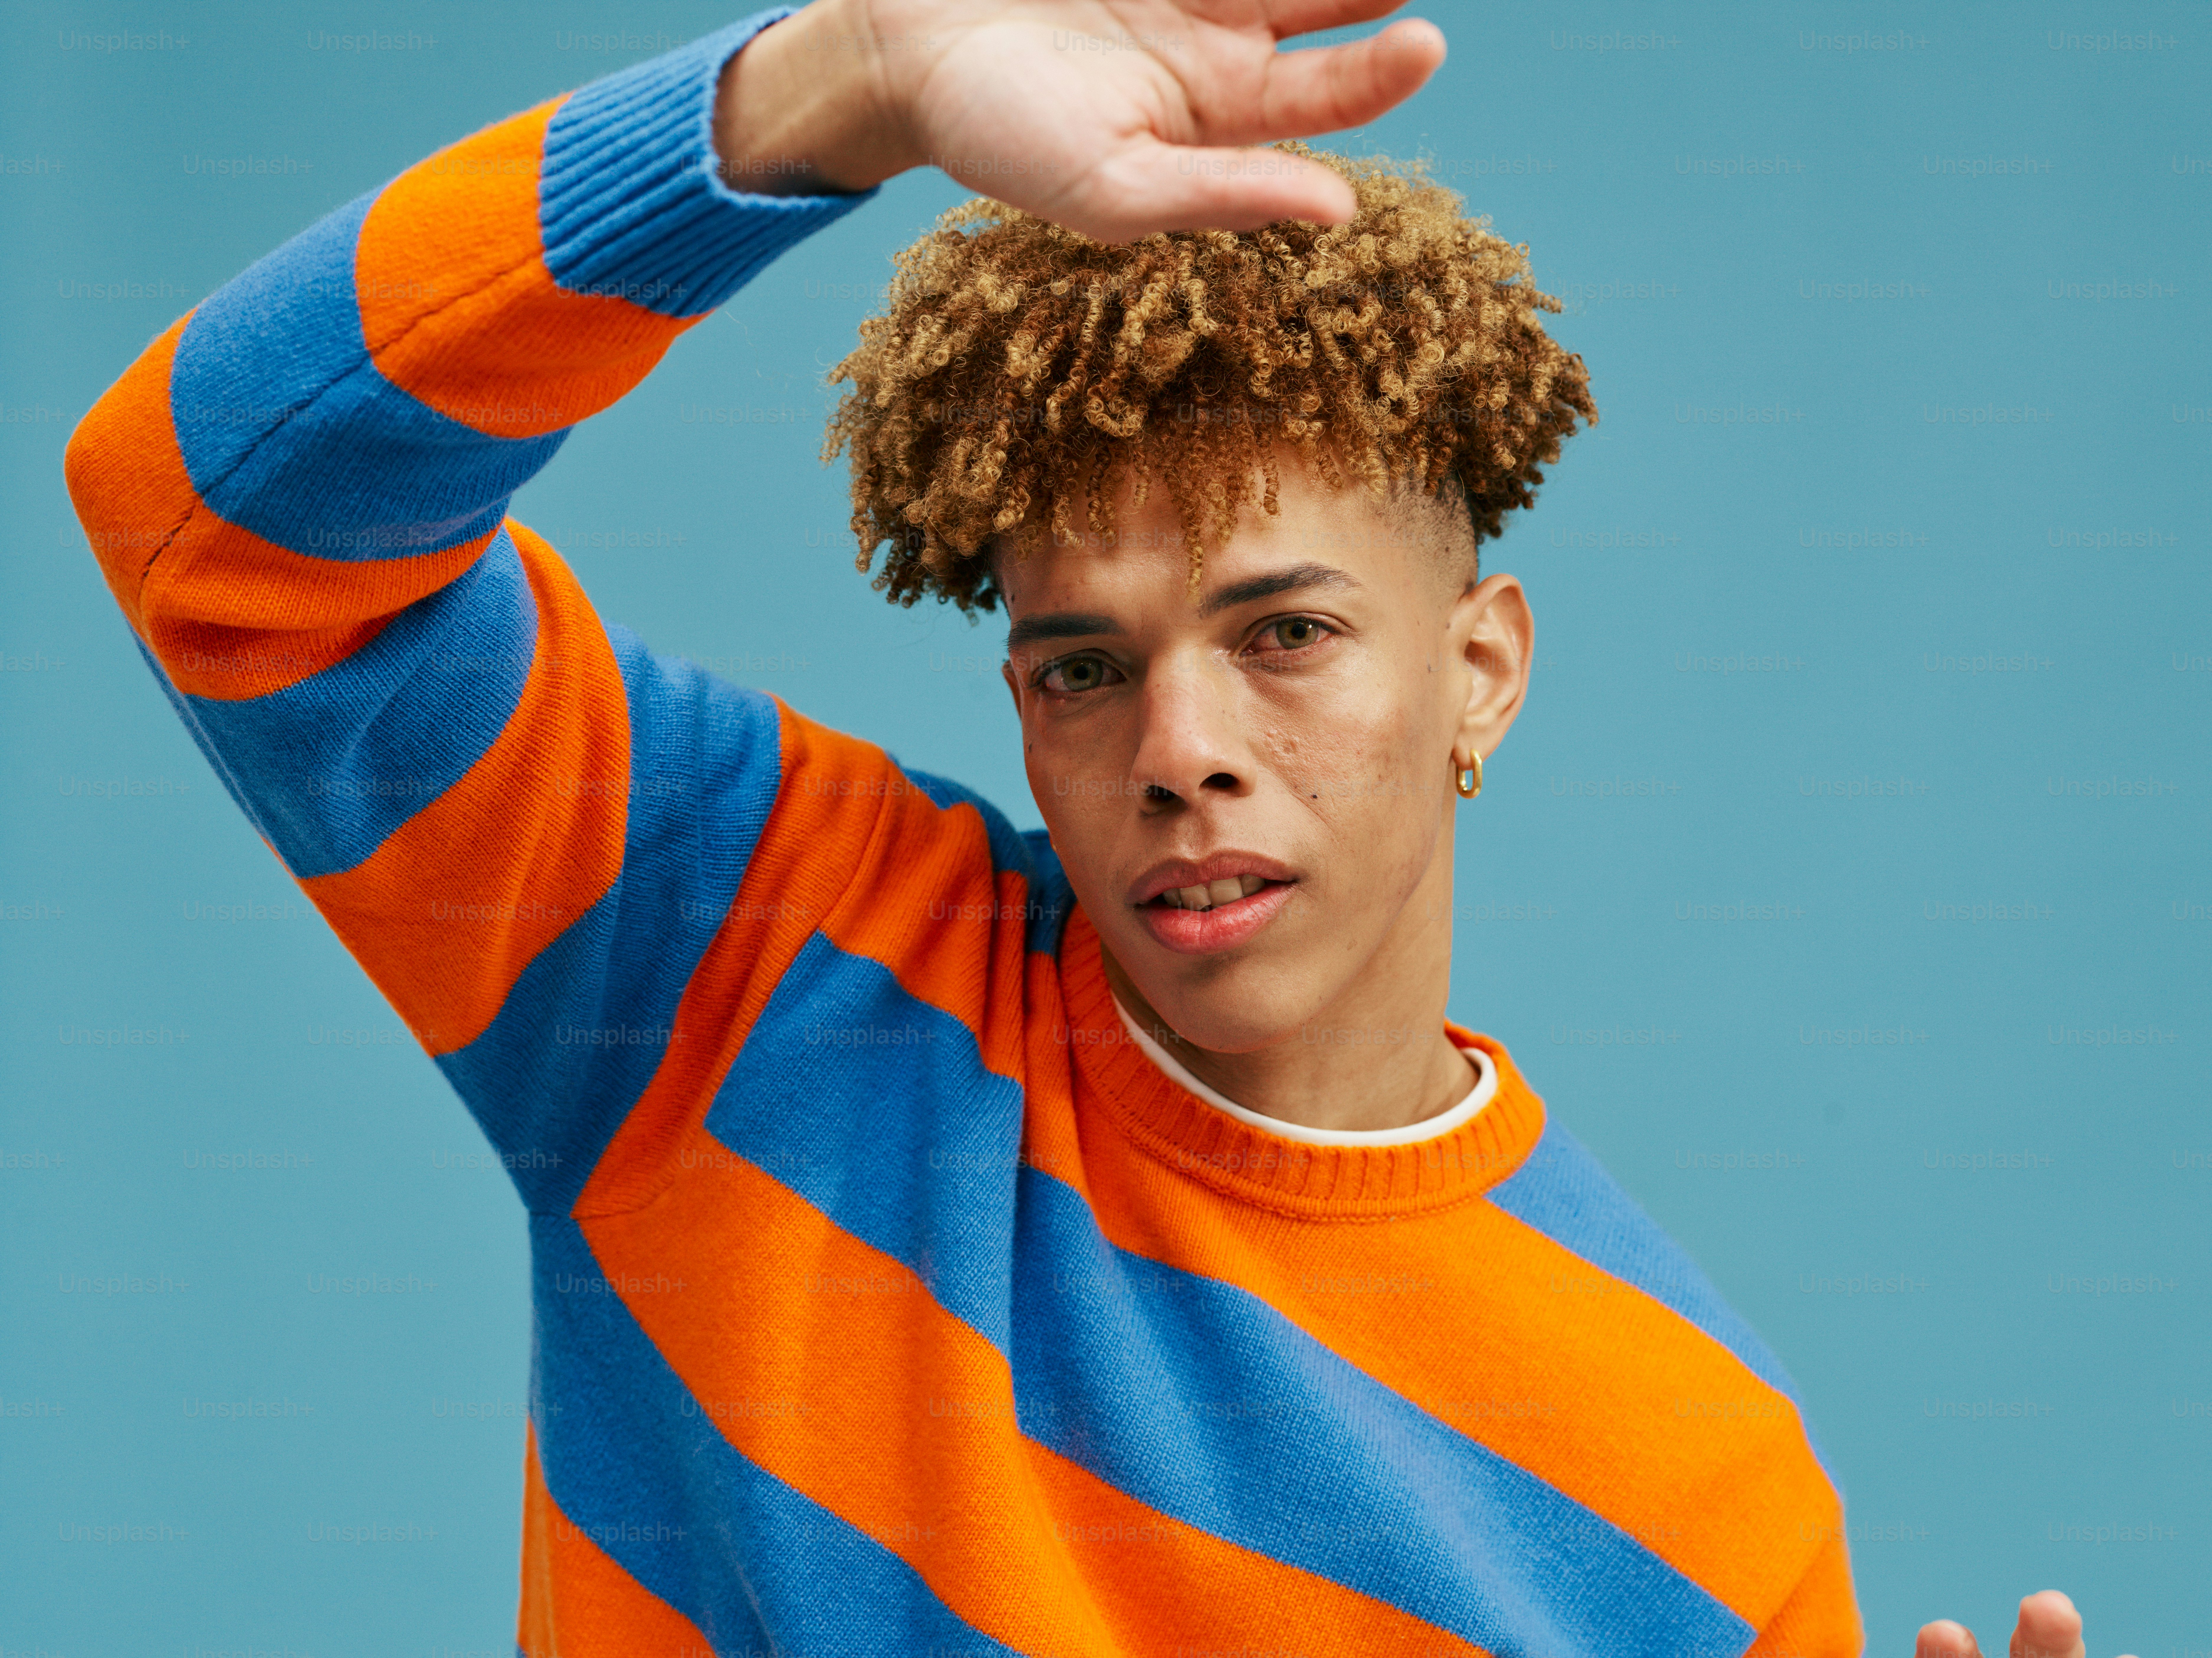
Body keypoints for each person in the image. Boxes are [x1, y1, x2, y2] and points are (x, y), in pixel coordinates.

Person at [63, 0, 2123, 1653]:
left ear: (1482, 665)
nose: (1179, 747)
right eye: (1081, 664)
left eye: (1287, 631)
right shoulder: (742, 954)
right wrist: (842, 80)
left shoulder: (1697, 1489)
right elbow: (214, 514)